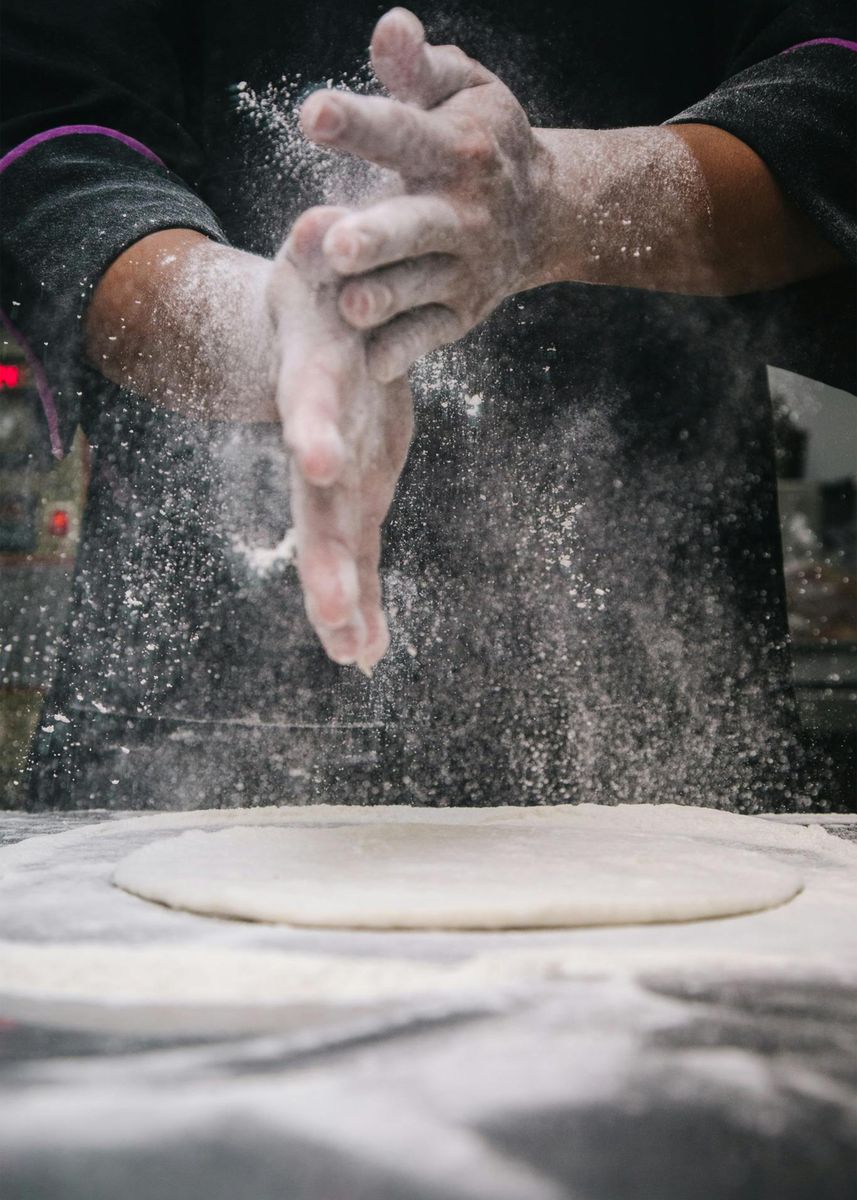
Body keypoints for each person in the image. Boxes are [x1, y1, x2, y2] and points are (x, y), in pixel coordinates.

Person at [1, 2, 854, 811]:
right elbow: (50, 139)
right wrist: (264, 331)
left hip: (663, 673)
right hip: (197, 704)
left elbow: (833, 82)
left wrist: (562, 199)